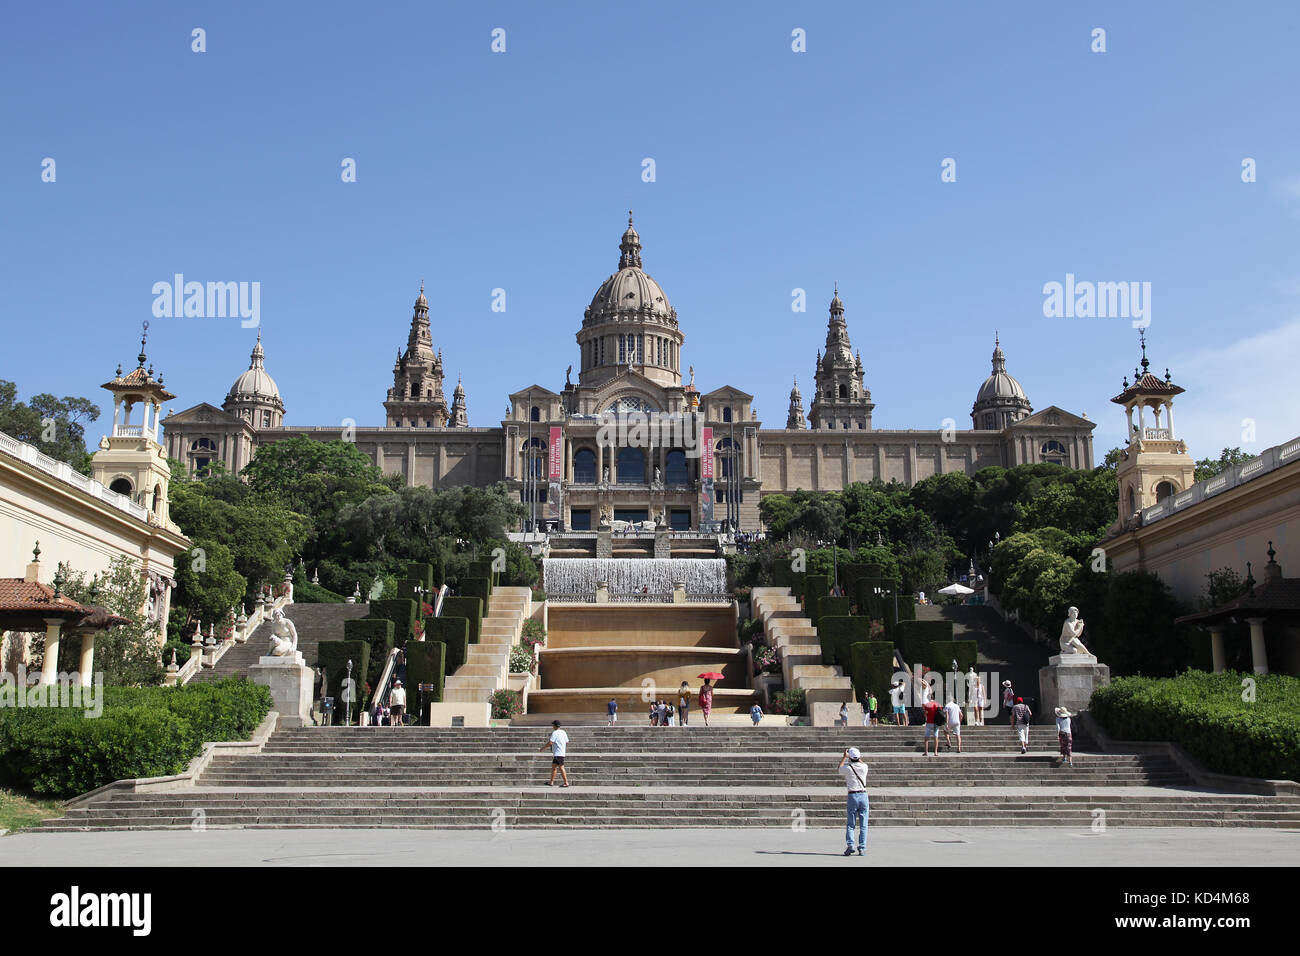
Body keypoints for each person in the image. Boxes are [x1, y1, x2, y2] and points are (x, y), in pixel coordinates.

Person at [838, 747, 869, 856]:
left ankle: (850, 845)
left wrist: (844, 757)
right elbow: (862, 763)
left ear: (849, 757)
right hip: (863, 795)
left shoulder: (848, 768)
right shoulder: (864, 767)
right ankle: (862, 847)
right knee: (863, 823)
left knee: (851, 823)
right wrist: (857, 758)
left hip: (852, 795)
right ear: (859, 757)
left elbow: (839, 768)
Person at [539, 719, 570, 787]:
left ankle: (566, 782)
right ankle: (551, 782)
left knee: (561, 767)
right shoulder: (563, 732)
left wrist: (542, 748)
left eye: (553, 725)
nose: (552, 726)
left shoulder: (555, 733)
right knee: (554, 767)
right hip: (561, 752)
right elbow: (567, 741)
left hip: (558, 753)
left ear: (555, 726)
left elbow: (550, 742)